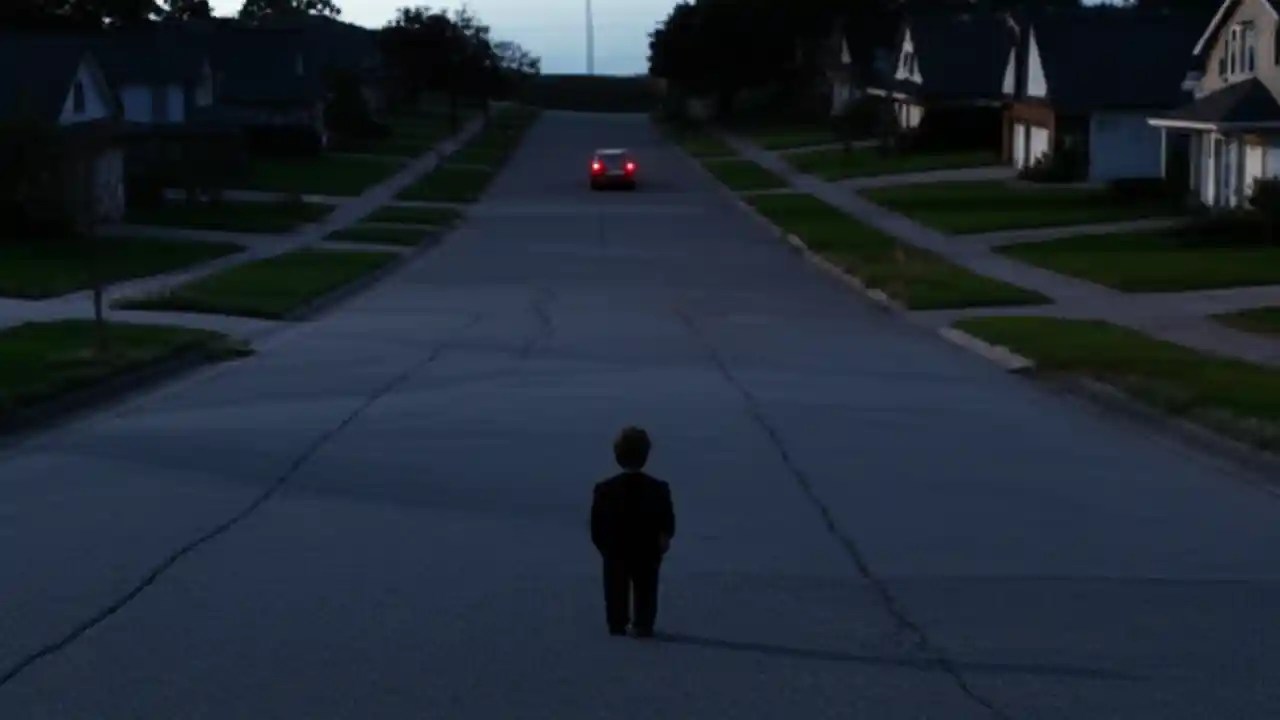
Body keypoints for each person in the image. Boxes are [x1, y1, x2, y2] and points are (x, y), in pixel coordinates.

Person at [590, 426, 676, 638]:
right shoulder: (658, 488)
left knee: (615, 590)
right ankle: (643, 624)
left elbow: (596, 526)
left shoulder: (605, 489)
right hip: (647, 551)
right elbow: (668, 523)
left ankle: (617, 625)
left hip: (615, 550)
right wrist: (661, 542)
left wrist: (605, 548)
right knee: (646, 590)